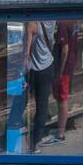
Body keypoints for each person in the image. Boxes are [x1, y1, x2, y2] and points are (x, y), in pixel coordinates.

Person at [23, 20, 56, 149]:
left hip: (35, 70)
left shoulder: (31, 24)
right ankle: (36, 141)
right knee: (42, 105)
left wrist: (22, 67)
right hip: (48, 66)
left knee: (24, 102)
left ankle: (31, 142)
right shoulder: (52, 20)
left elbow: (26, 52)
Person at [52, 20, 79, 142]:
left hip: (65, 66)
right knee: (62, 98)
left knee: (62, 99)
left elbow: (65, 49)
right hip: (71, 63)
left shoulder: (62, 24)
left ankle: (61, 133)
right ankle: (61, 129)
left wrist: (60, 71)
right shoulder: (73, 21)